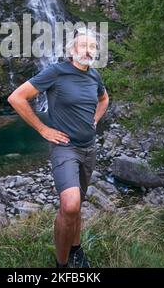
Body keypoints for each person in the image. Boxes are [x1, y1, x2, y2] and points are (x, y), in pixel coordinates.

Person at [7, 27, 109, 268]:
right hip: (65, 148)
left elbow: (104, 99)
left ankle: (76, 250)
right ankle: (61, 265)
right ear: (72, 50)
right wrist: (43, 129)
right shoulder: (56, 72)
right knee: (70, 204)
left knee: (78, 204)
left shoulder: (94, 76)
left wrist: (95, 119)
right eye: (83, 45)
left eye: (93, 47)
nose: (88, 50)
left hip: (89, 148)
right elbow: (16, 97)